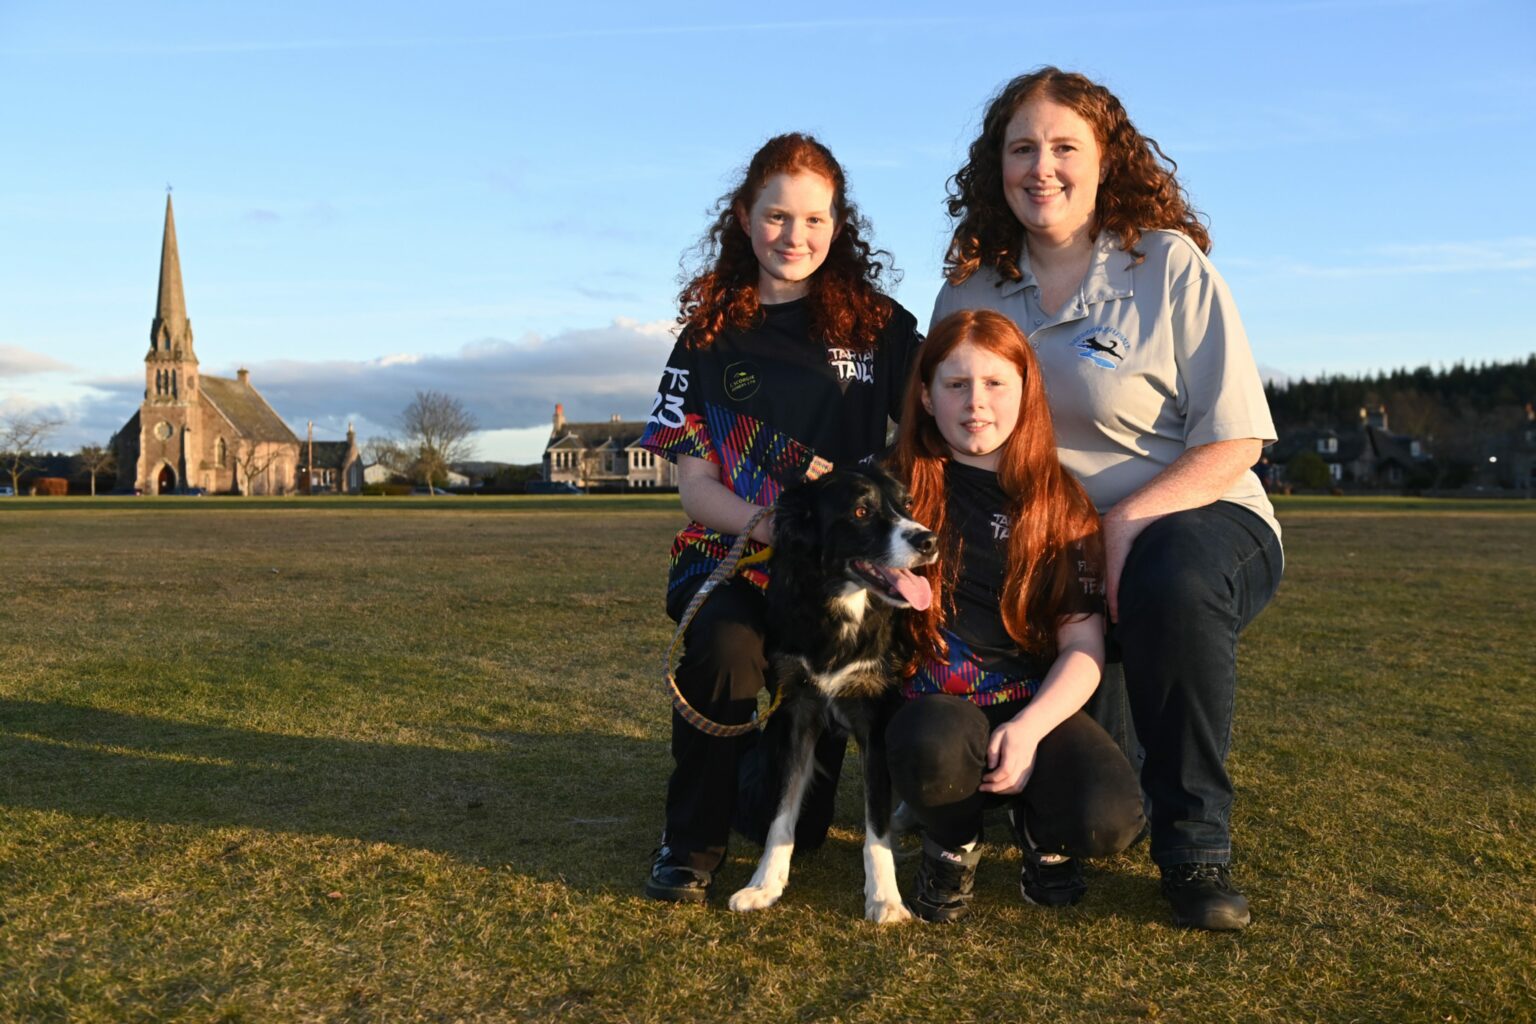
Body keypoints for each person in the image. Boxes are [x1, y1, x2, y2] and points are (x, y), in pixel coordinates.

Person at [931, 68, 1284, 931]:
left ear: (1106, 161)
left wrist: (1123, 523)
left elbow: (1239, 438)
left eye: (1064, 148)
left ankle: (1195, 849)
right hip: (1043, 542)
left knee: (1168, 576)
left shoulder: (1167, 266)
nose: (1040, 168)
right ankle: (954, 791)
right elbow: (934, 424)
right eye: (1022, 149)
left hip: (1194, 521)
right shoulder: (970, 291)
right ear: (996, 167)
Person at [637, 133, 922, 903]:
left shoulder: (882, 328)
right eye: (777, 218)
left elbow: (937, 426)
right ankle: (688, 842)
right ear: (743, 217)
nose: (796, 237)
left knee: (786, 808)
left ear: (839, 224)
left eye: (815, 219)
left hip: (849, 565)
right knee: (728, 649)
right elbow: (693, 483)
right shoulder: (706, 337)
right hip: (738, 551)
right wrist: (765, 525)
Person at [885, 308, 1144, 924]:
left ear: (1026, 394)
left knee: (1110, 819)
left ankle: (1042, 838)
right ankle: (953, 841)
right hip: (932, 703)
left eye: (996, 383)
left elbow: (1084, 647)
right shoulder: (892, 488)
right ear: (925, 395)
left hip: (1032, 702)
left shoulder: (1059, 501)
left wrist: (1029, 729)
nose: (977, 403)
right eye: (956, 384)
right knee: (932, 746)